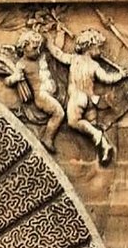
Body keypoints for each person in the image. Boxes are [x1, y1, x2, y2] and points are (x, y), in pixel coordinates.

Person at [47, 27, 123, 166]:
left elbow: (58, 54)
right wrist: (121, 75)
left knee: (74, 122)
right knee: (92, 125)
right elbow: (107, 78)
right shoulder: (94, 65)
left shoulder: (73, 59)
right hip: (91, 100)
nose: (100, 51)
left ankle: (97, 137)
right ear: (90, 47)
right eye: (98, 47)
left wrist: (49, 42)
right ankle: (104, 146)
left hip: (78, 98)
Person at [6, 29, 65, 153]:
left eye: (39, 48)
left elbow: (57, 50)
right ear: (24, 47)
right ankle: (47, 138)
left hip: (51, 93)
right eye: (34, 48)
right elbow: (8, 81)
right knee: (59, 113)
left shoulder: (41, 57)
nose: (37, 51)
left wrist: (59, 34)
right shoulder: (22, 64)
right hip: (42, 96)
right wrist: (15, 78)